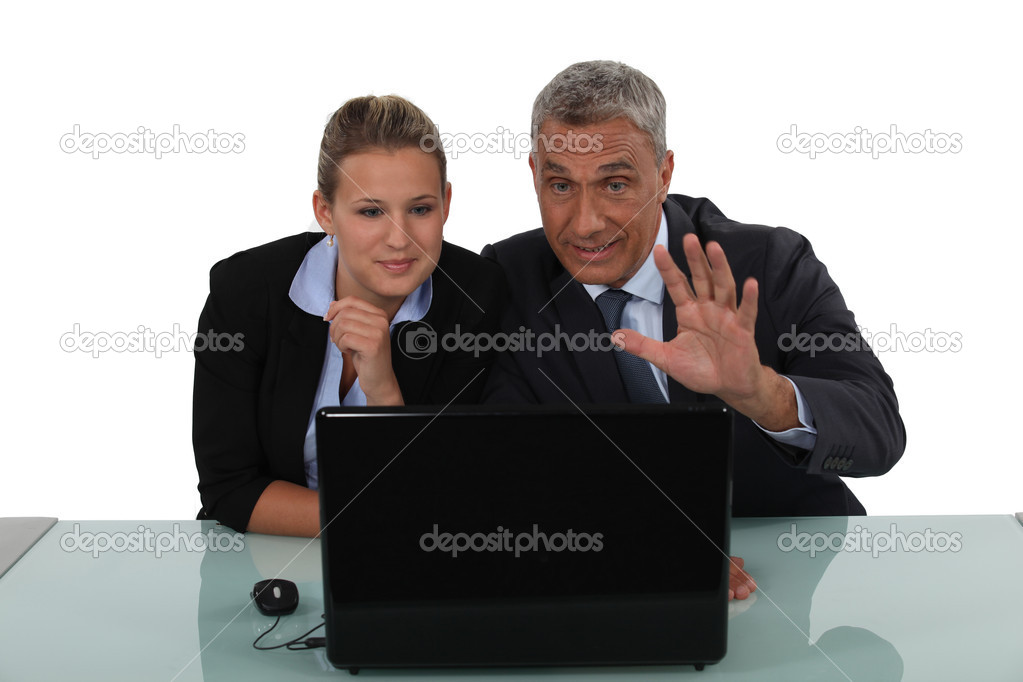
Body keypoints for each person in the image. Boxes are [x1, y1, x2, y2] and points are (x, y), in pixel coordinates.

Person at [482, 61, 907, 599]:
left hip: (792, 574)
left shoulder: (769, 262)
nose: (585, 222)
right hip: (605, 584)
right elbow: (499, 468)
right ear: (534, 174)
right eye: (561, 184)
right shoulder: (506, 279)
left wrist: (762, 394)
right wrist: (637, 545)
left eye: (615, 184)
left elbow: (879, 432)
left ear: (664, 174)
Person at [193, 95, 506, 537]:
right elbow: (228, 489)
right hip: (260, 551)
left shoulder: (475, 297)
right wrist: (374, 519)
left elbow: (441, 490)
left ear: (446, 202)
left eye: (420, 209)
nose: (399, 239)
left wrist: (383, 390)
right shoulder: (245, 292)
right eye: (371, 211)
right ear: (326, 212)